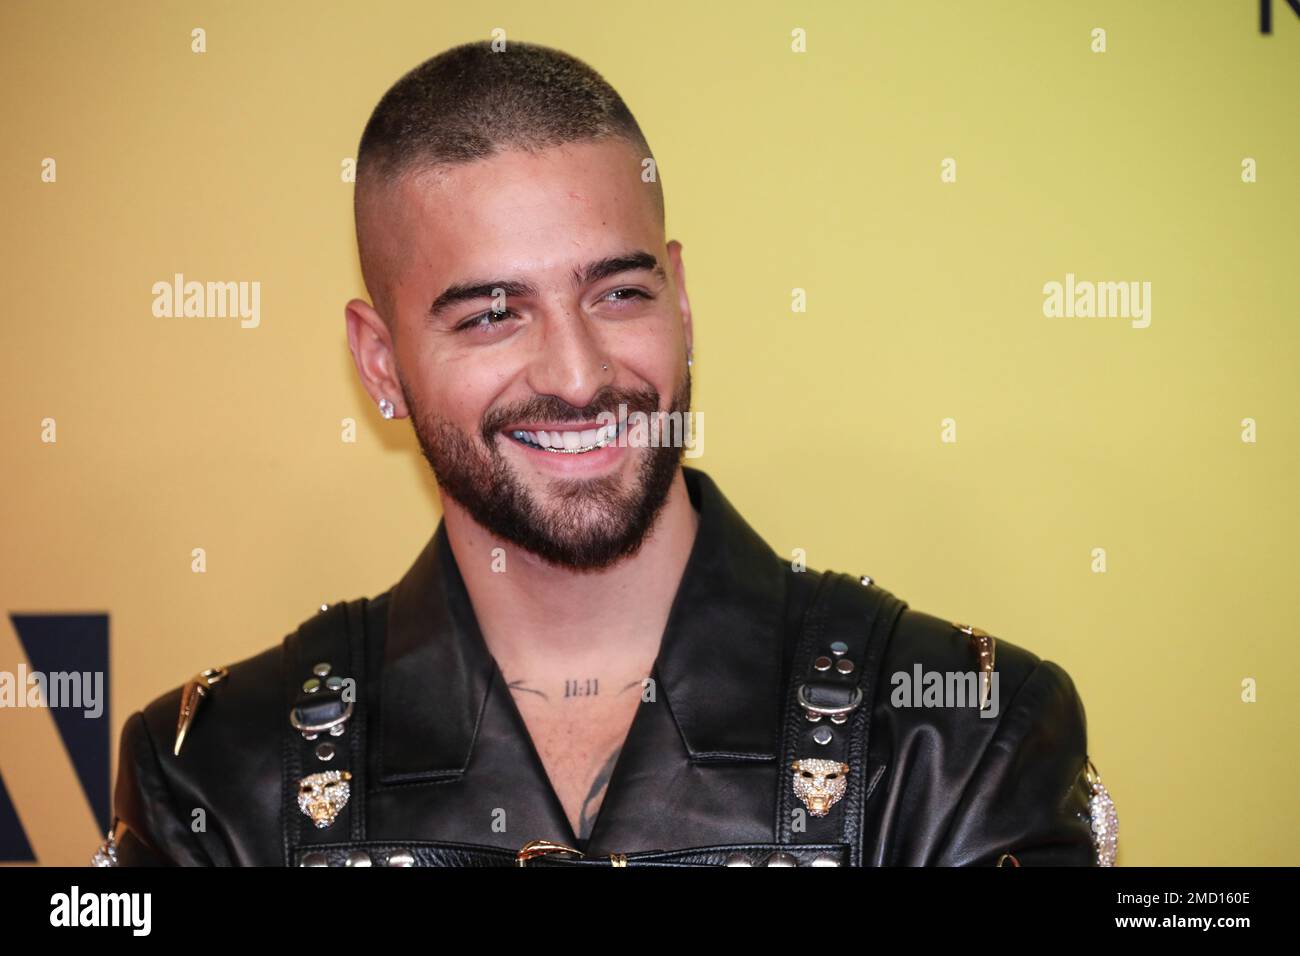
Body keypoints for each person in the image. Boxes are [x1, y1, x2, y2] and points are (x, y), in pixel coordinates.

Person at [99, 39, 1116, 867]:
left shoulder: (960, 736)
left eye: (617, 293)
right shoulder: (219, 773)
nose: (579, 376)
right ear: (381, 362)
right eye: (492, 314)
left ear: (680, 299)